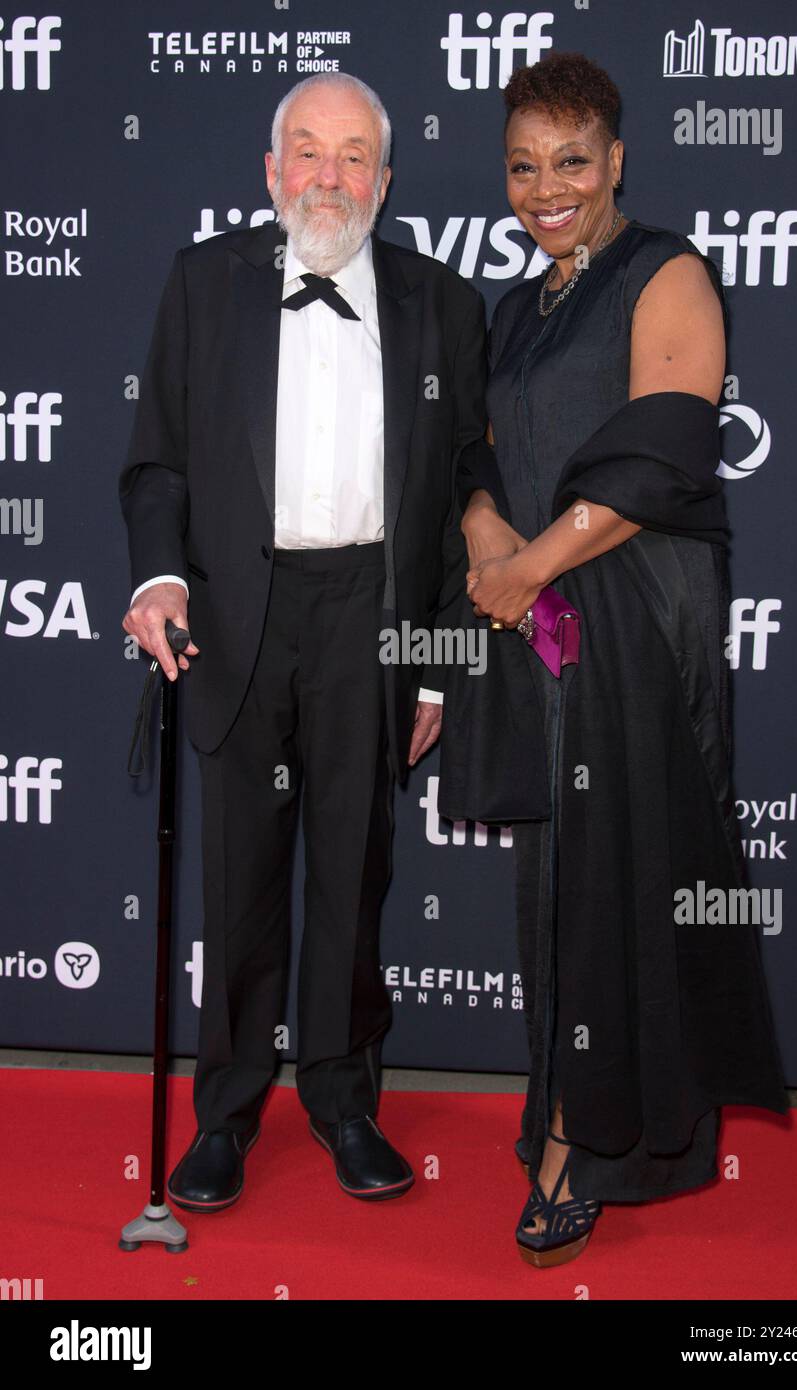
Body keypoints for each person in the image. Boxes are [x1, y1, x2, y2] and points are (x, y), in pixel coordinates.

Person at [438, 51, 789, 1266]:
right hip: (537, 636)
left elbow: (663, 456)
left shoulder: (665, 270)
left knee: (619, 889)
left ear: (615, 159)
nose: (546, 188)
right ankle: (564, 1112)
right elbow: (479, 454)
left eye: (570, 162)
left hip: (633, 623)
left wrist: (529, 565)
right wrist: (486, 527)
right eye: (523, 166)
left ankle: (590, 1145)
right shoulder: (515, 305)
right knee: (552, 894)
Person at [119, 72, 492, 1211]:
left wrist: (436, 658)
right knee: (237, 876)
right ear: (270, 169)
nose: (327, 176)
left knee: (352, 870)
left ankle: (340, 1097)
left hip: (372, 617)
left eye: (352, 156)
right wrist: (161, 573)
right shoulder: (204, 283)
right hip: (240, 612)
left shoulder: (440, 304)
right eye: (305, 151)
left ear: (384, 178)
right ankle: (225, 1111)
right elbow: (157, 461)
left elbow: (454, 493)